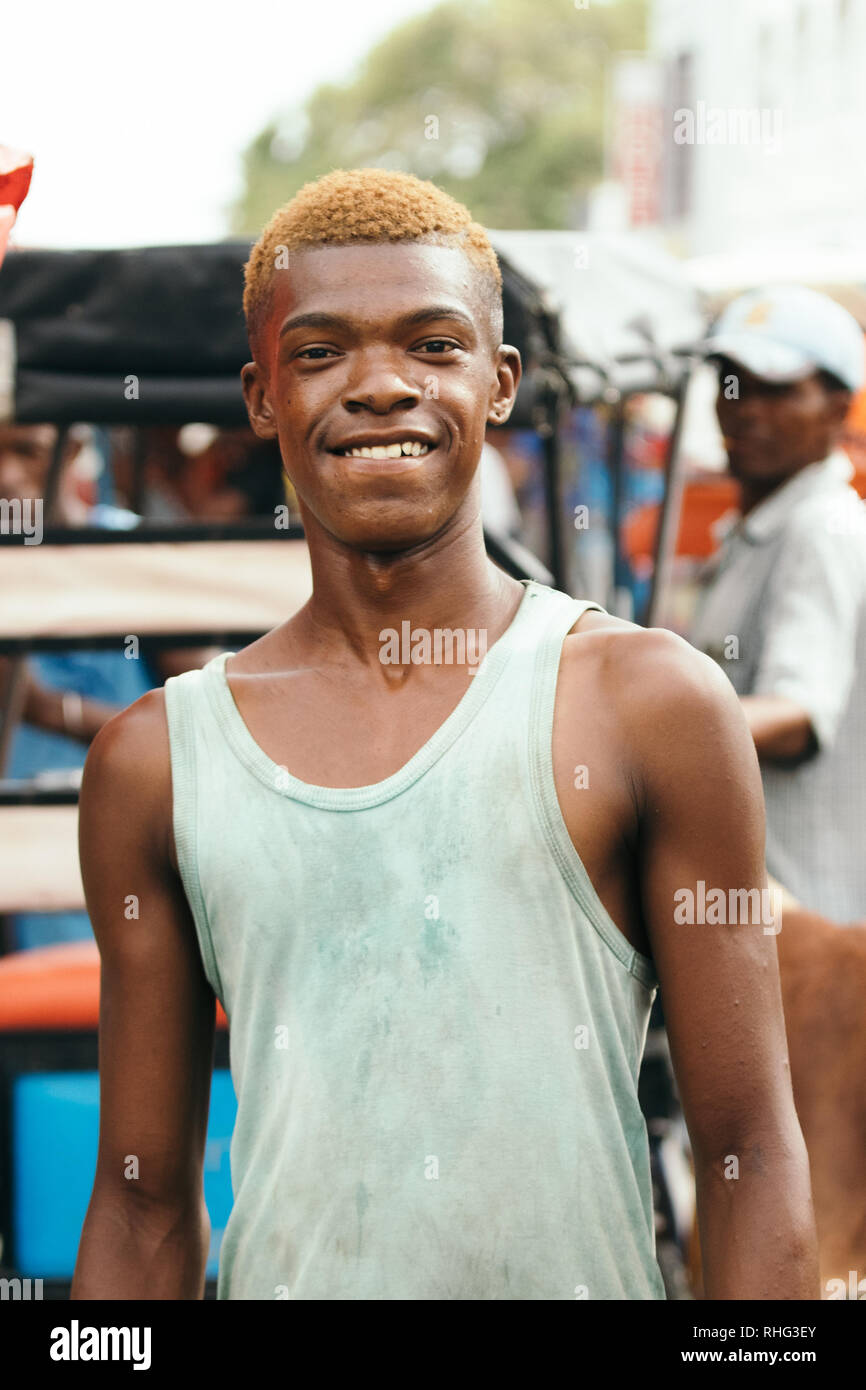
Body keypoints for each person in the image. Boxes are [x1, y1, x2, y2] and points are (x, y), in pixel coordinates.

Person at [73, 169, 816, 1301]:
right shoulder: (156, 762)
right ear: (262, 398)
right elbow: (140, 1205)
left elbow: (748, 1150)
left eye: (432, 345)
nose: (381, 386)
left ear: (498, 381)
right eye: (319, 352)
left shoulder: (649, 704)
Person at [689, 285, 866, 922]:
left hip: (810, 923)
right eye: (732, 386)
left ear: (838, 408)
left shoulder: (821, 528)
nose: (746, 410)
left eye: (777, 391)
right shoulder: (749, 537)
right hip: (758, 913)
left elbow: (797, 714)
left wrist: (647, 723)